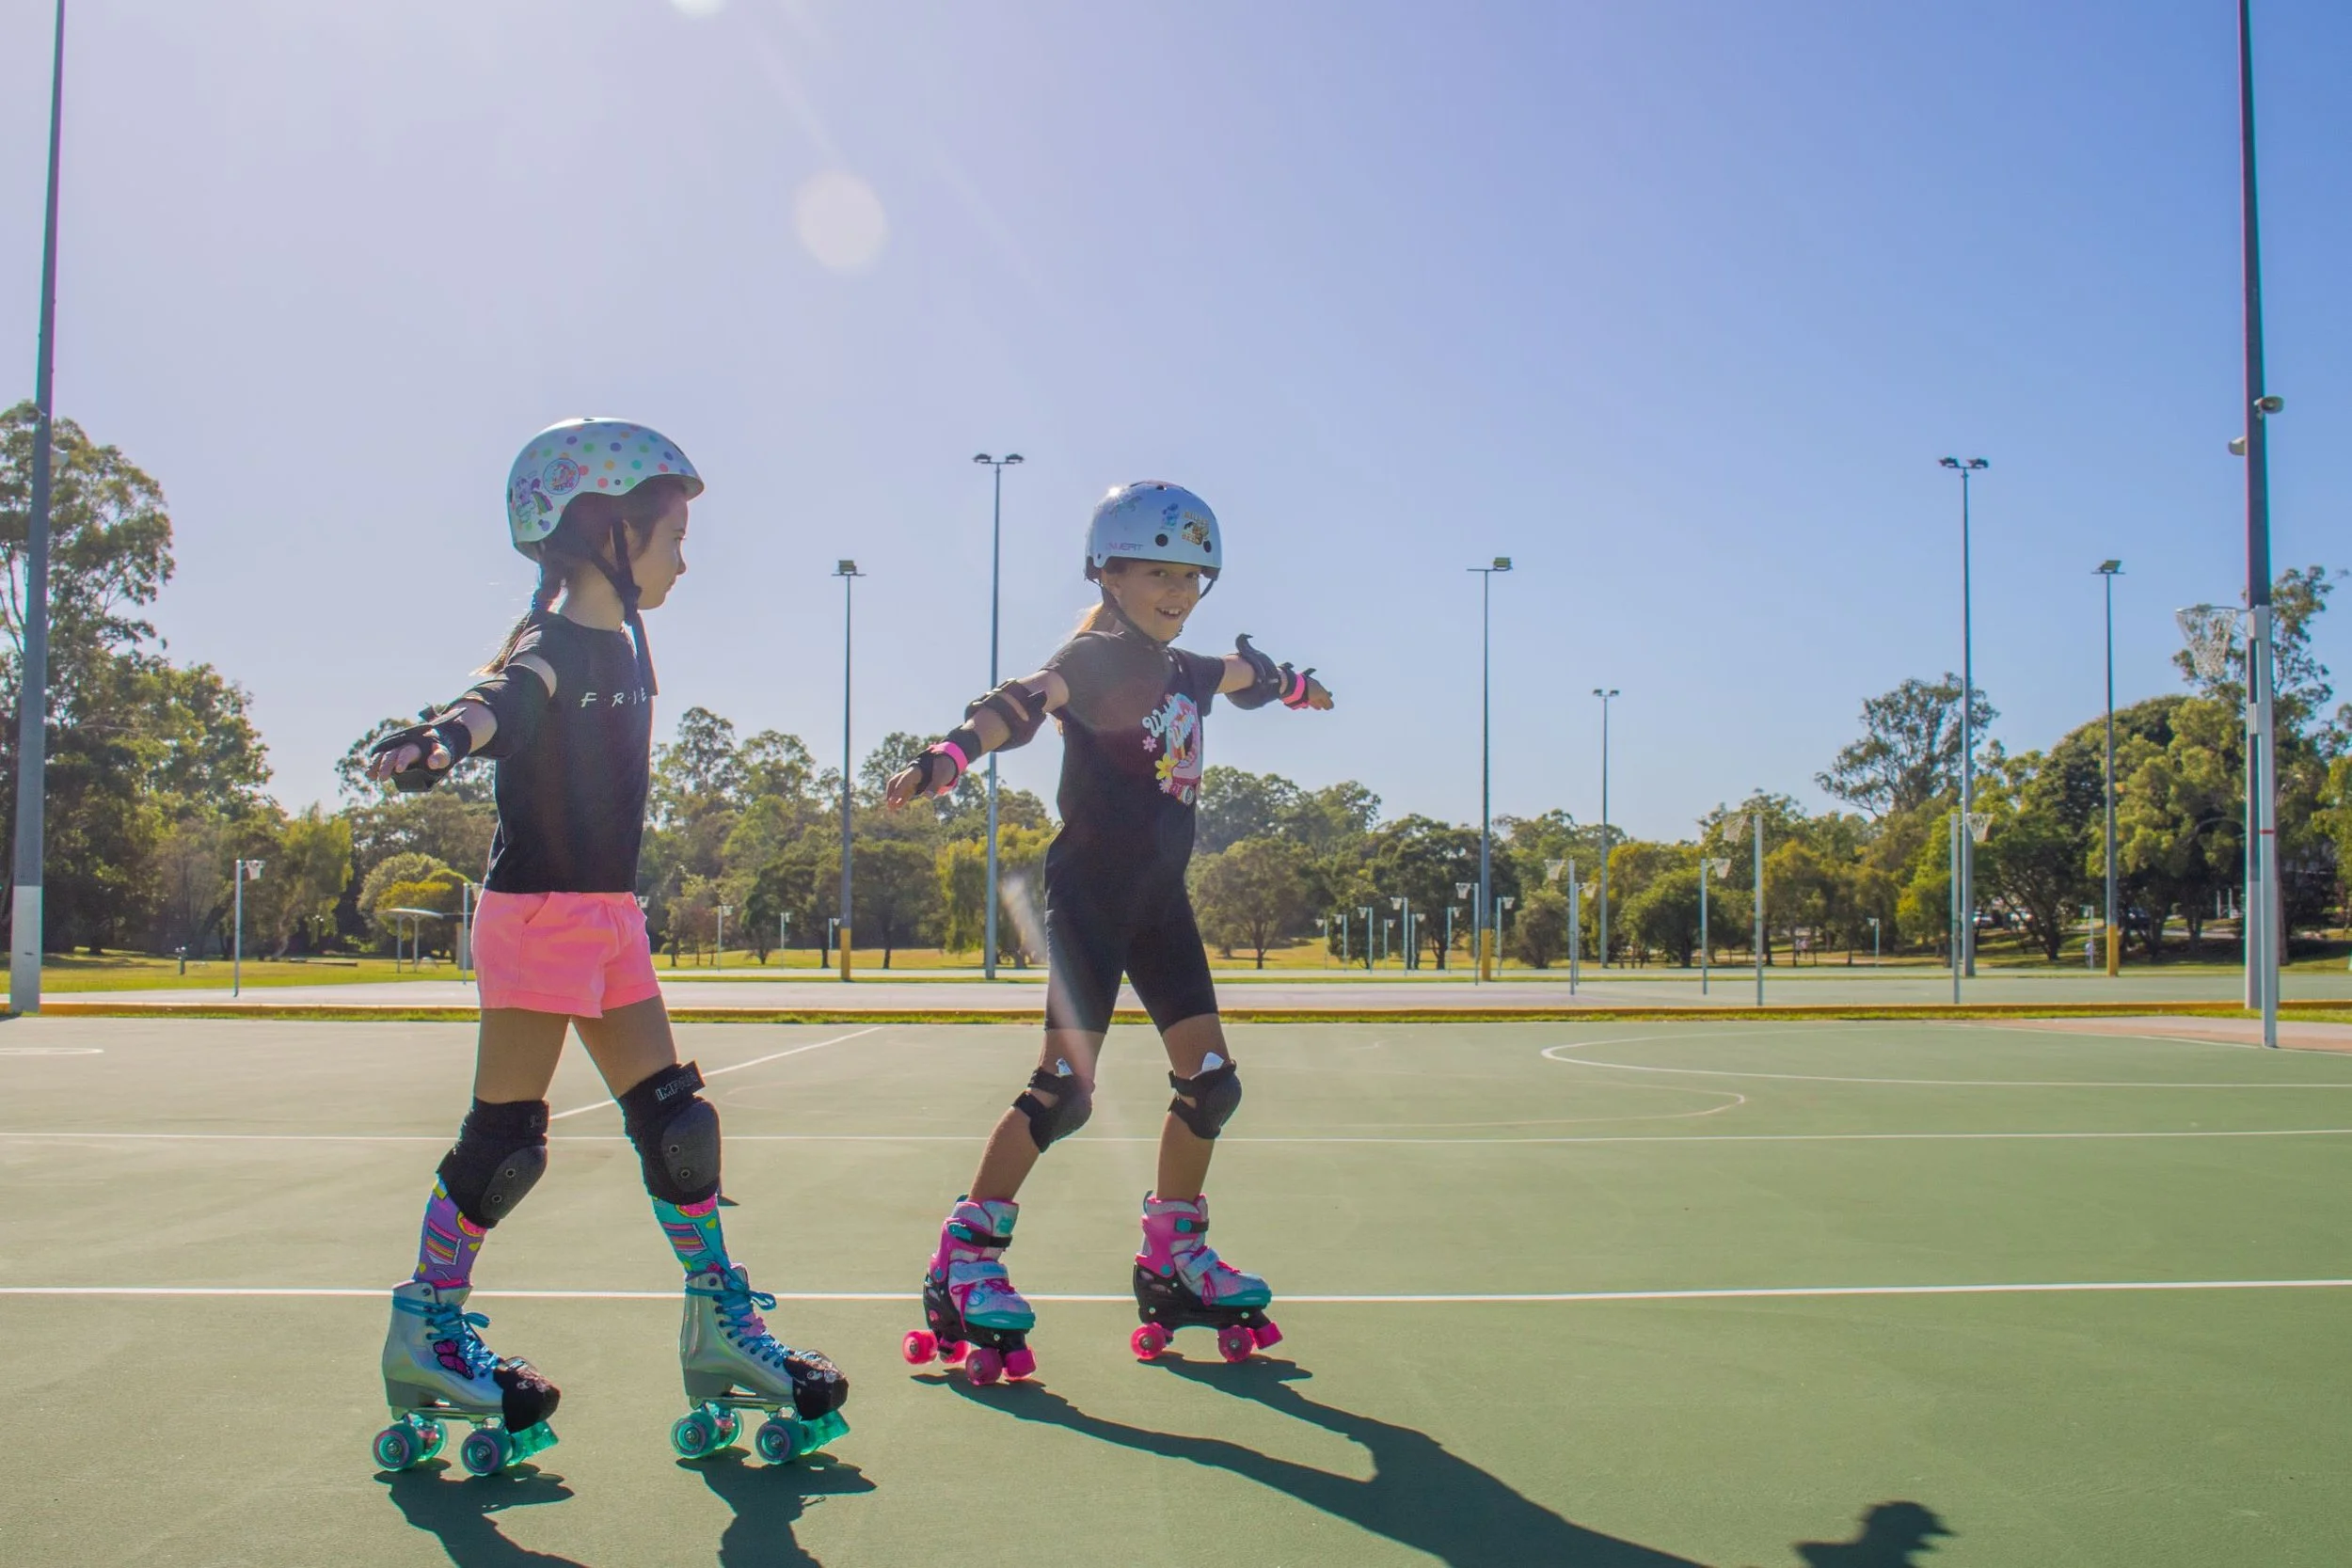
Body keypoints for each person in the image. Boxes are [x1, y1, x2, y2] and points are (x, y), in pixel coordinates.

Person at [363, 418, 847, 1477]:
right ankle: (427, 1329)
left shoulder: (625, 641)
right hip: (538, 912)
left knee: (679, 1123)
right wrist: (440, 738)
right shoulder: (549, 647)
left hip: (606, 911)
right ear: (606, 531)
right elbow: (499, 700)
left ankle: (720, 1323)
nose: (685, 552)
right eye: (672, 530)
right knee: (507, 1140)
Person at [884, 480, 1333, 1381]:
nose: (1177, 590)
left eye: (1192, 575)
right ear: (1110, 571)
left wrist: (1294, 685)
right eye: (1158, 571)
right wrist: (951, 755)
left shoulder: (1181, 669)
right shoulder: (1093, 658)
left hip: (1161, 902)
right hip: (1089, 897)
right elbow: (1024, 700)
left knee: (1210, 1086)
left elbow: (1244, 674)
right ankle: (965, 1258)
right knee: (1065, 1092)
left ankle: (1173, 1257)